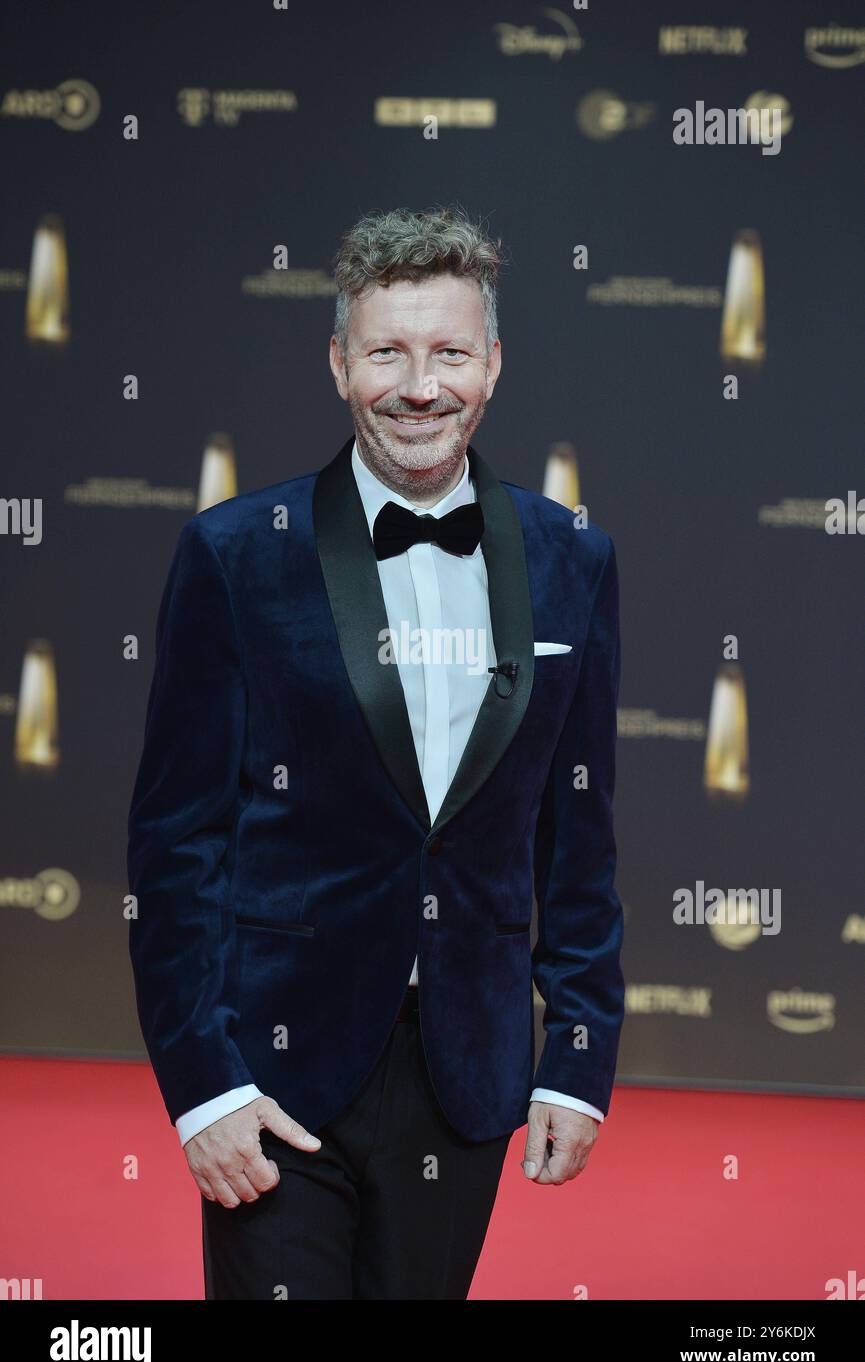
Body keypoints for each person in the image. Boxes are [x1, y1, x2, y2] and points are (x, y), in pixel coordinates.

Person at [127, 205, 625, 1300]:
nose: (419, 385)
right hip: (277, 1067)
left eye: (448, 352)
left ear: (491, 365)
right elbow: (176, 845)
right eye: (387, 352)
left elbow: (576, 833)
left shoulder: (571, 558)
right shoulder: (232, 556)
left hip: (469, 1067)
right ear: (340, 364)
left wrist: (579, 1055)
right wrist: (203, 1084)